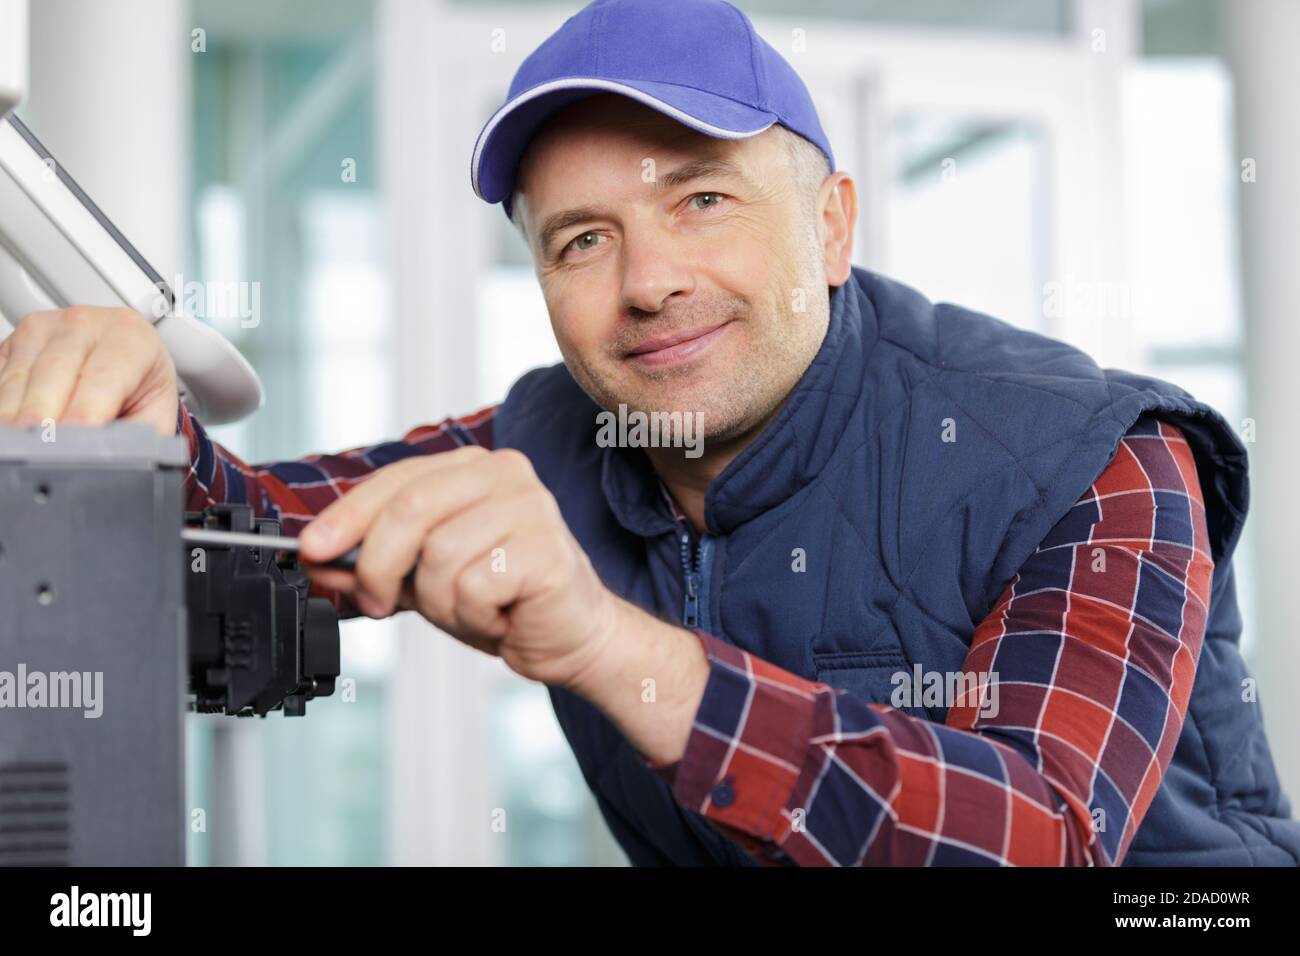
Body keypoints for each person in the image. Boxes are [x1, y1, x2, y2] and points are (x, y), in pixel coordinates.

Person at [0, 0, 1295, 867]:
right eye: (583, 239)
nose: (649, 280)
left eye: (704, 198)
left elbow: (1049, 838)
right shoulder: (550, 438)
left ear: (833, 226)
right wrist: (134, 422)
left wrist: (617, 649)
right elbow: (249, 536)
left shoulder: (1099, 458)